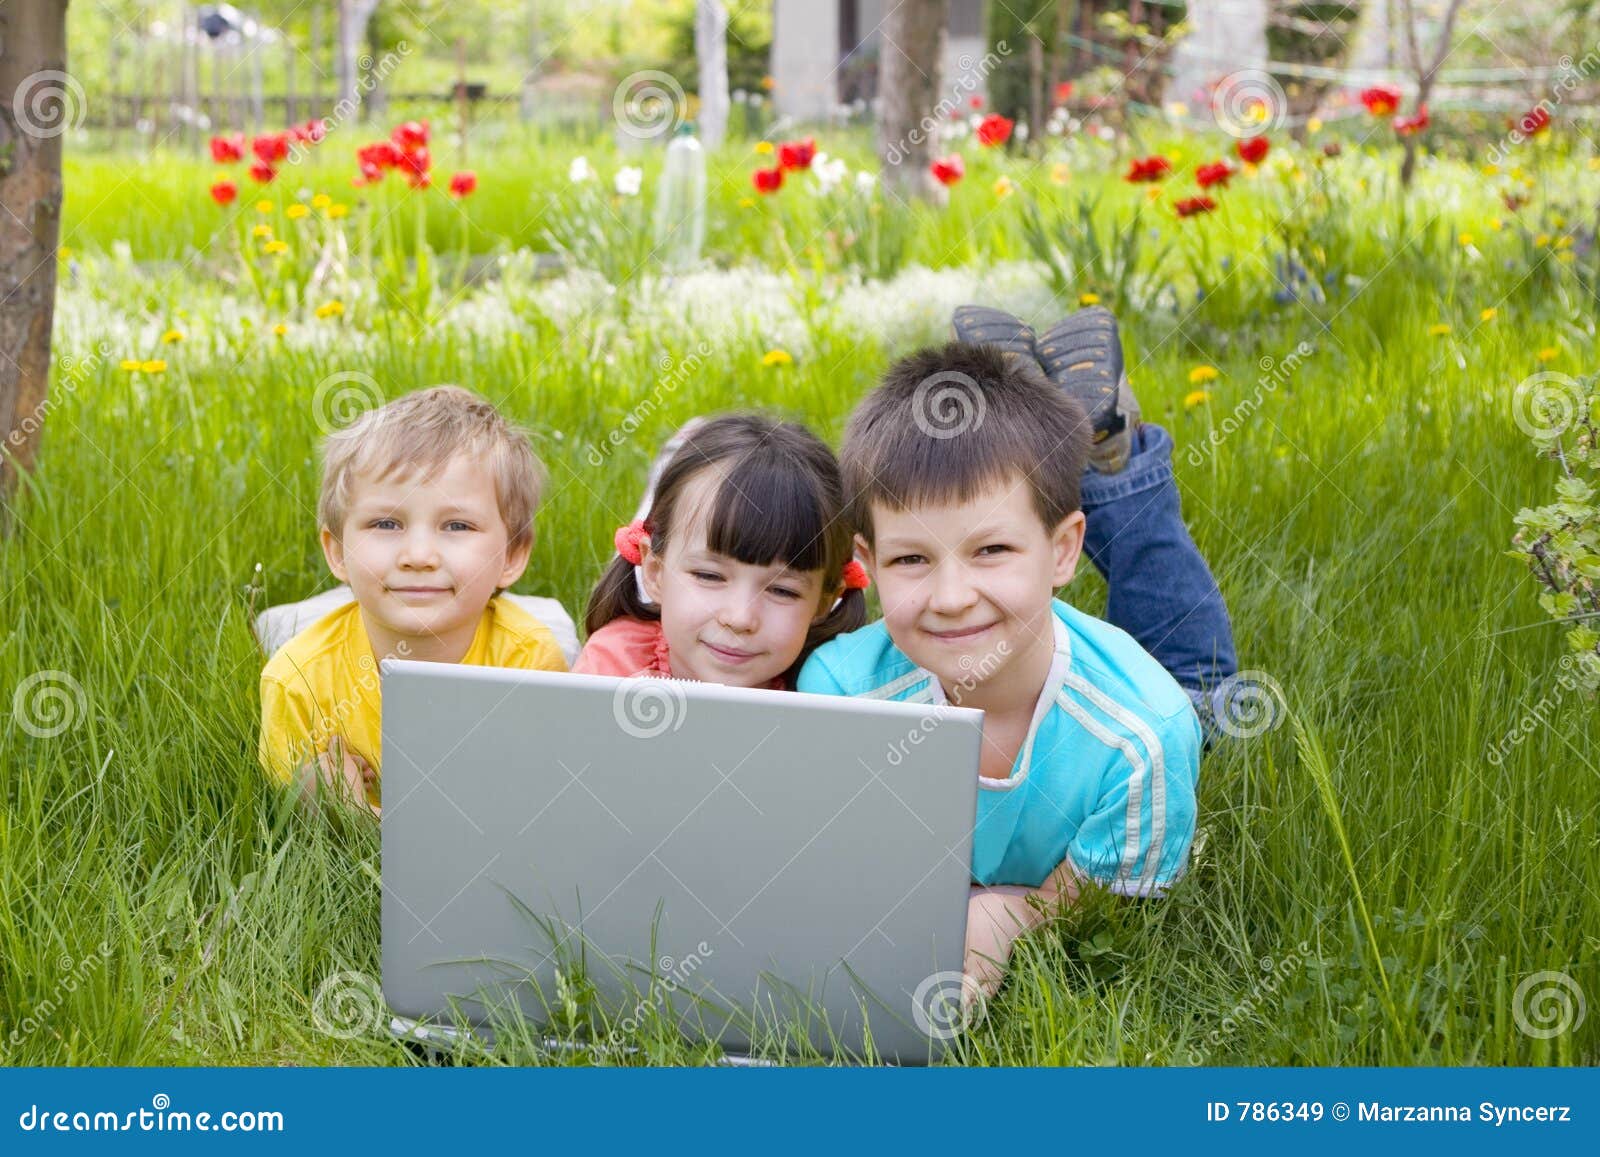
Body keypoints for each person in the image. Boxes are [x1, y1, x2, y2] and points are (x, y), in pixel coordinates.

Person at [797, 334, 1209, 1001]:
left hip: (1150, 688)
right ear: (868, 563)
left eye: (990, 549)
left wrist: (1012, 916)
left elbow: (1112, 904)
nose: (951, 597)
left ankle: (1122, 470)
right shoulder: (843, 693)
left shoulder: (1146, 738)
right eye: (911, 559)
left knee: (1197, 665)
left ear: (1063, 550)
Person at [258, 385, 569, 817]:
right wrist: (323, 801)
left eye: (457, 526)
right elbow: (295, 816)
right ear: (337, 552)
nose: (419, 556)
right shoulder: (296, 682)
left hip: (520, 626)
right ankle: (282, 619)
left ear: (512, 555)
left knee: (561, 632)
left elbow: (529, 809)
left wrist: (361, 815)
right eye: (386, 524)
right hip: (327, 636)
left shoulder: (530, 662)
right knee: (285, 631)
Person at [575, 412, 867, 688]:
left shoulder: (830, 690)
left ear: (824, 602)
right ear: (654, 572)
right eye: (709, 576)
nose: (739, 619)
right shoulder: (612, 669)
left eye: (783, 591)